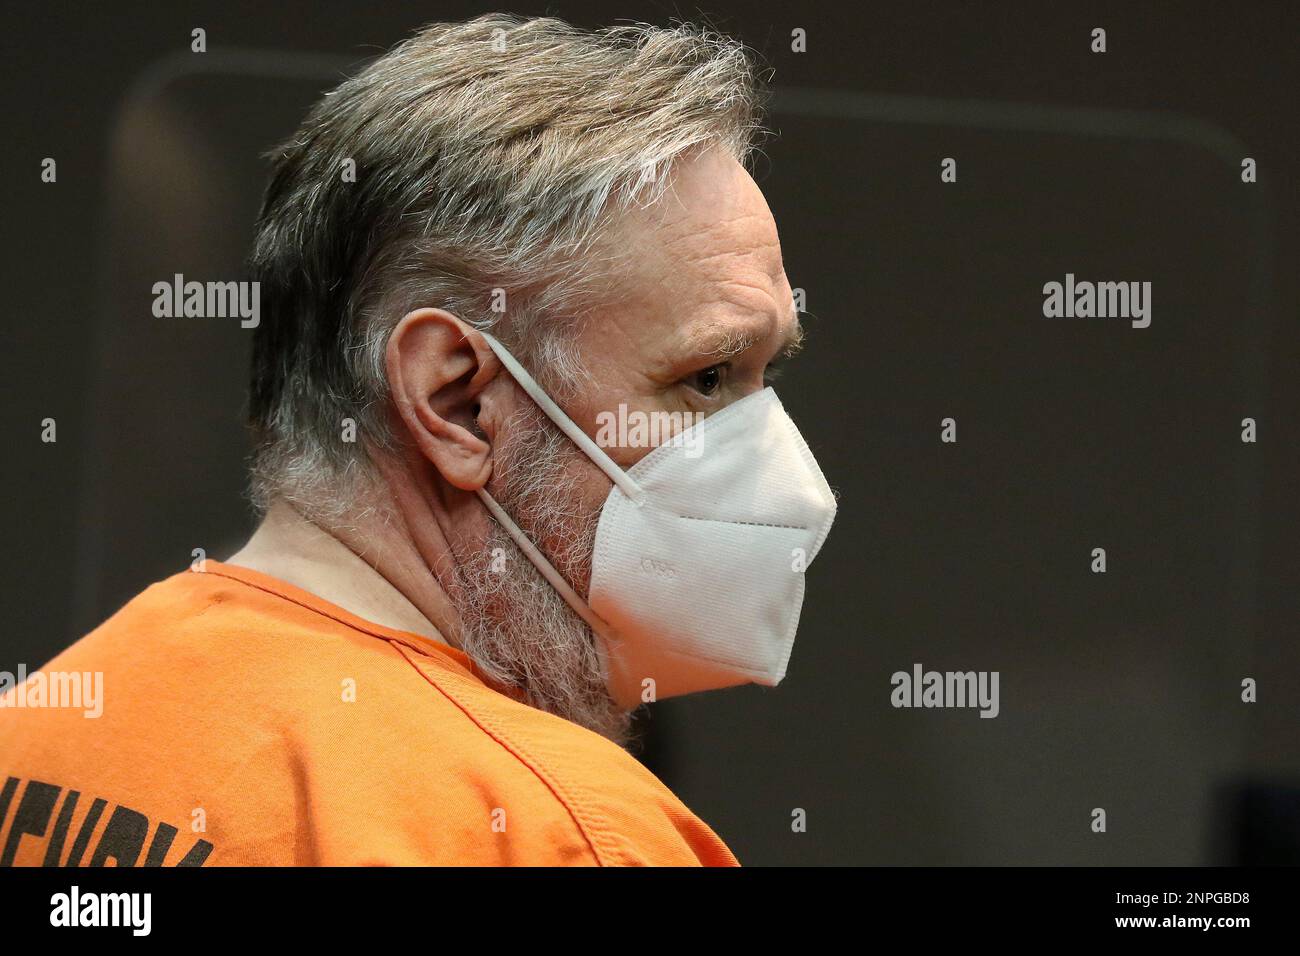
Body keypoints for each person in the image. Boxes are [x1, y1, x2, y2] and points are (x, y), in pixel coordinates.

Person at [0, 14, 835, 866]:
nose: (782, 470)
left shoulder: (41, 734)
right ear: (458, 402)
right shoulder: (560, 835)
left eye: (766, 377)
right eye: (706, 378)